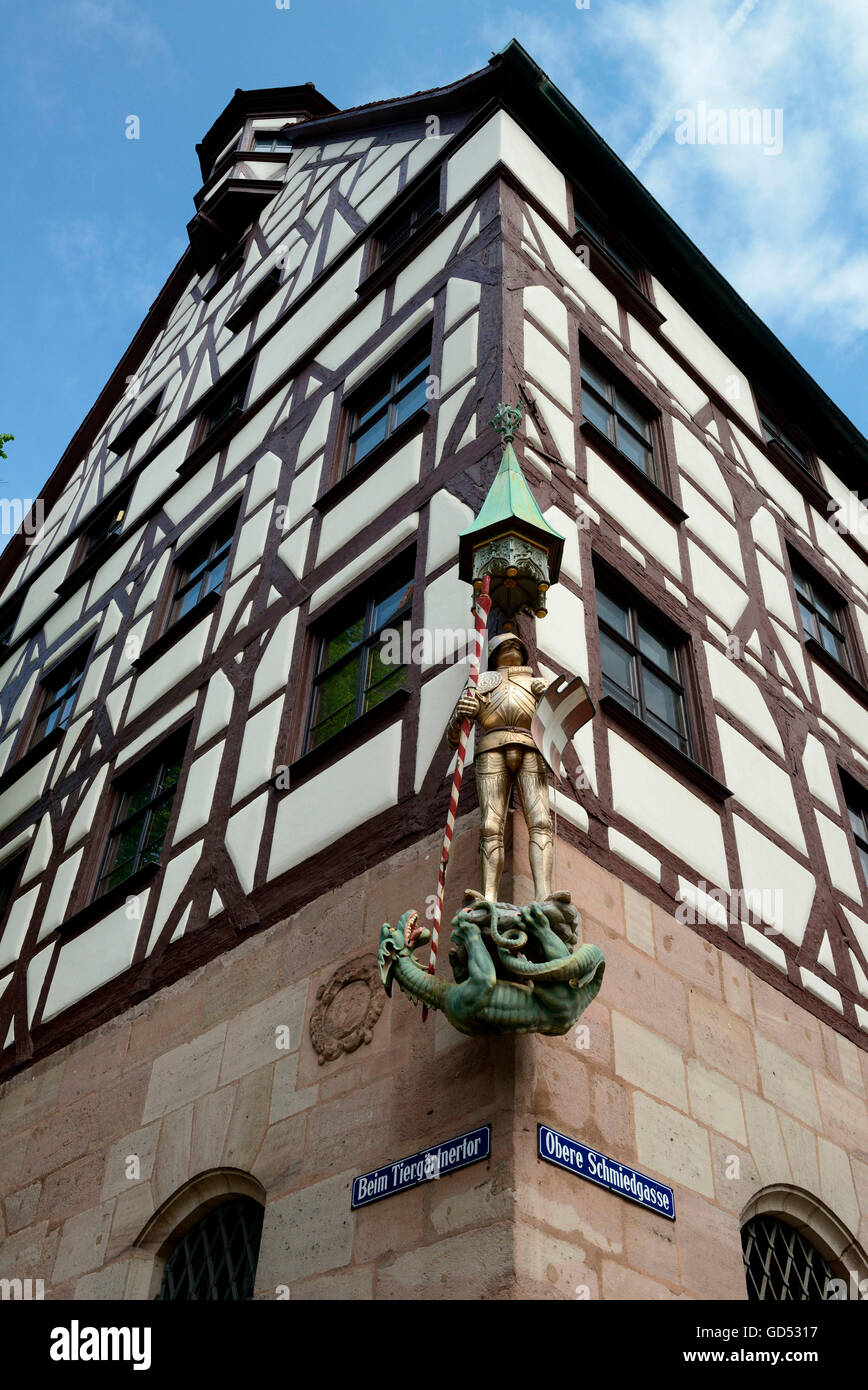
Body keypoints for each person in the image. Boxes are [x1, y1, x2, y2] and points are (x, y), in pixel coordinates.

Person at [446, 632, 553, 903]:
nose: (512, 649)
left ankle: (544, 892)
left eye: (516, 645)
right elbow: (453, 738)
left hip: (531, 747)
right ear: (494, 654)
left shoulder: (538, 684)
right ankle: (490, 895)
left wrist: (549, 701)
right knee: (490, 825)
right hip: (491, 748)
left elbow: (559, 729)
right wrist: (462, 713)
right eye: (506, 646)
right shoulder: (481, 682)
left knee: (540, 820)